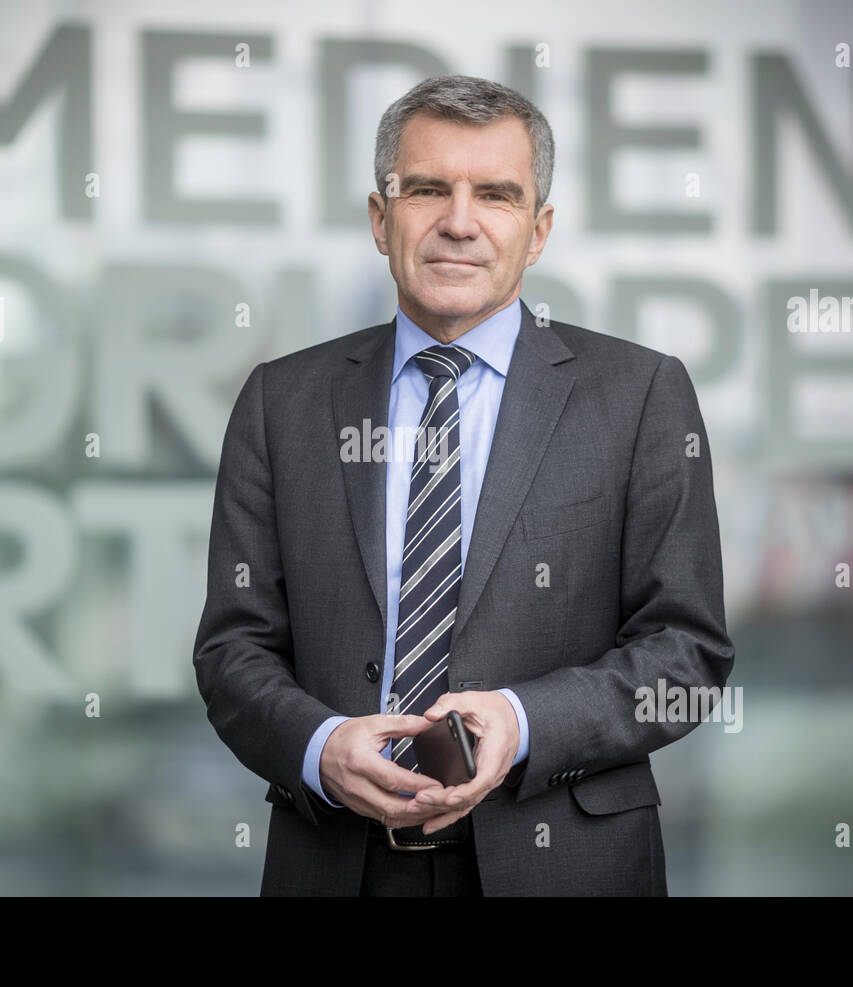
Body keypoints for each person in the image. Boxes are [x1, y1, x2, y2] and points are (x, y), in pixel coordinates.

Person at [193, 74, 734, 896]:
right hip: (339, 866)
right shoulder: (282, 402)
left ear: (539, 229)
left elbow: (688, 657)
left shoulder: (640, 395)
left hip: (566, 866)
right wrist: (320, 745)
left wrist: (520, 724)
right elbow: (232, 650)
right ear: (382, 219)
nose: (458, 220)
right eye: (427, 189)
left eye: (496, 194)